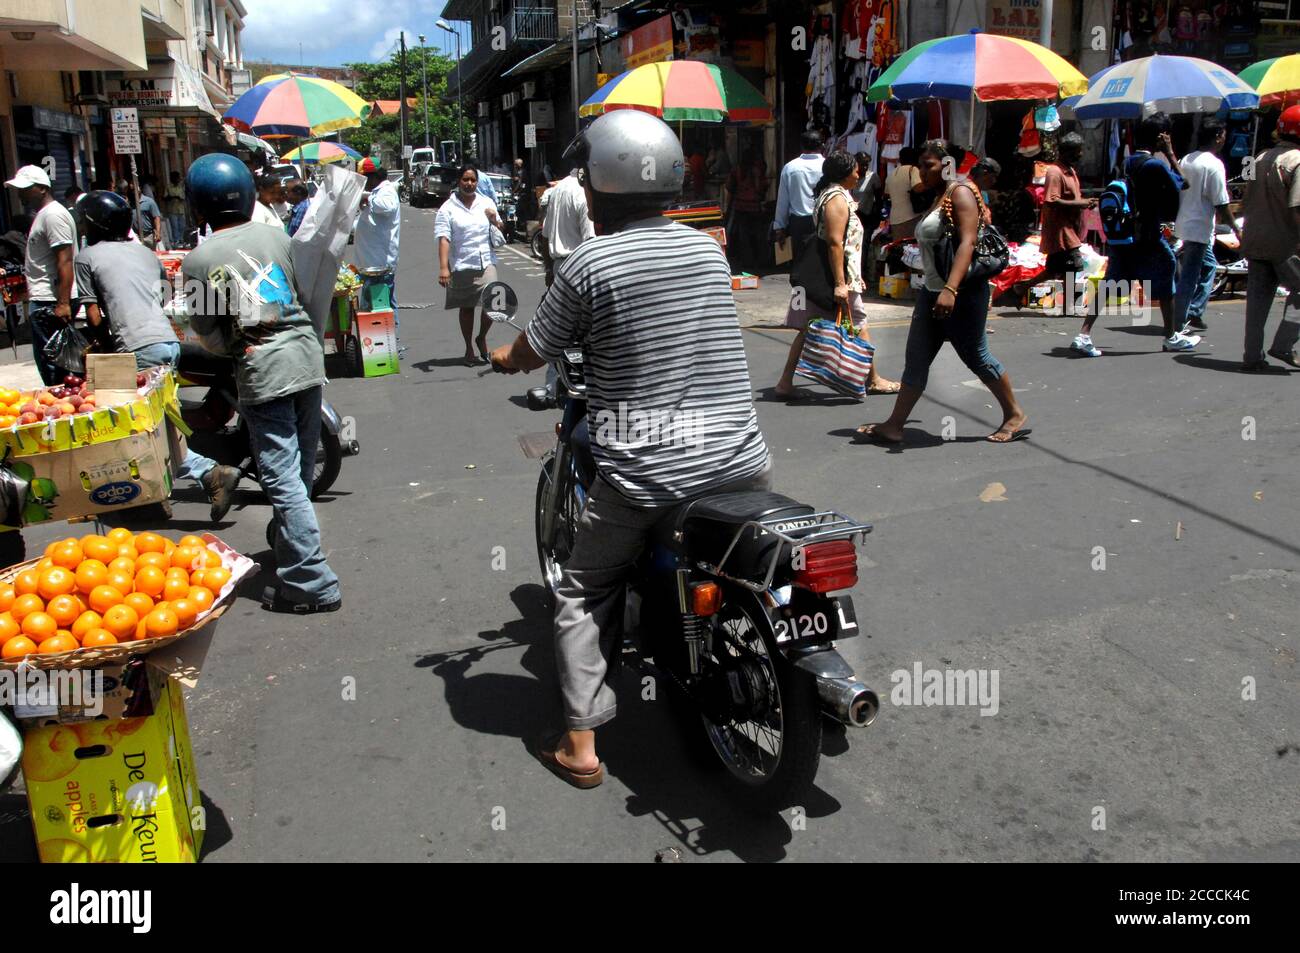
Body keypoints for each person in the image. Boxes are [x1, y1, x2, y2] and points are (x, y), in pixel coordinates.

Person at [487, 109, 772, 789]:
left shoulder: (590, 262)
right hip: (741, 455)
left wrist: (503, 355)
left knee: (583, 587)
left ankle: (581, 746)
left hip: (647, 474)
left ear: (597, 186)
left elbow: (534, 350)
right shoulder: (707, 248)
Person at [181, 153, 340, 614]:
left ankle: (311, 584)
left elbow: (209, 335)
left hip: (262, 372)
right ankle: (291, 540)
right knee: (300, 467)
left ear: (198, 206)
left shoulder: (197, 260)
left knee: (282, 478)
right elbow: (305, 291)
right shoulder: (279, 236)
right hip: (307, 362)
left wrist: (240, 332)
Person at [74, 190, 241, 522]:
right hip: (167, 342)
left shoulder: (87, 257)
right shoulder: (145, 253)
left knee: (146, 431)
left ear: (92, 225)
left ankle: (210, 474)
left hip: (136, 350)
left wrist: (100, 349)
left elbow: (92, 315)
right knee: (160, 423)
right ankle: (155, 495)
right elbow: (161, 296)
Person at [858, 140, 1029, 445]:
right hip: (932, 292)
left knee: (976, 356)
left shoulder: (960, 193)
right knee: (917, 358)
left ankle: (1014, 414)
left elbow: (968, 243)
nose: (921, 170)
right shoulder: (939, 197)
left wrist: (950, 289)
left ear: (947, 165)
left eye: (929, 165)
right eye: (921, 164)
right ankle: (894, 424)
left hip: (961, 293)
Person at [774, 150, 899, 399]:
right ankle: (873, 379)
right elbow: (834, 242)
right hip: (837, 277)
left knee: (811, 328)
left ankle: (785, 383)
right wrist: (842, 283)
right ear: (844, 173)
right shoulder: (836, 198)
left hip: (840, 274)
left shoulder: (836, 195)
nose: (858, 173)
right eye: (855, 169)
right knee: (859, 324)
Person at [1105, 112, 1200, 353]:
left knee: (1112, 281)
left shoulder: (1128, 161)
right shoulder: (1155, 165)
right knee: (1168, 270)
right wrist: (1170, 153)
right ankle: (1171, 335)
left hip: (1127, 232)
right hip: (1147, 232)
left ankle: (1084, 334)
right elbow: (1183, 182)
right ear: (1161, 137)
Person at [1239, 104, 1300, 371]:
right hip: (1286, 244)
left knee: (1257, 302)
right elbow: (1297, 208)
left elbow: (1243, 198)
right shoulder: (1297, 161)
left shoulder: (1257, 157)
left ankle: (1252, 357)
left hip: (1254, 239)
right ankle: (1284, 344)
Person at [4, 165, 77, 385]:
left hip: (50, 301)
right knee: (50, 362)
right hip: (45, 299)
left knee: (55, 366)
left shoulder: (53, 215)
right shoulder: (43, 216)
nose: (20, 194)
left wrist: (63, 302)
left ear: (42, 189)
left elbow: (64, 260)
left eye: (25, 189)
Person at [1174, 119, 1240, 336]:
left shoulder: (1187, 159)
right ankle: (1179, 322)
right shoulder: (1214, 164)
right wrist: (1235, 228)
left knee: (1208, 267)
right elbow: (1221, 202)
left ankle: (1194, 310)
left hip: (1186, 225)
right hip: (1199, 228)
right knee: (1190, 276)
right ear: (1218, 136)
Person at [1036, 134, 1100, 356]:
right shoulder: (1055, 172)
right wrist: (1081, 203)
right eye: (1078, 151)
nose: (1081, 155)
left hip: (1070, 228)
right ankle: (1069, 306)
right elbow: (1051, 201)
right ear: (1067, 152)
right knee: (1074, 265)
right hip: (1060, 228)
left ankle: (1021, 287)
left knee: (1054, 269)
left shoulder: (1070, 171)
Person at [435, 165, 504, 365]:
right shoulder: (447, 208)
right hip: (462, 263)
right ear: (459, 181)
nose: (469, 184)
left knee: (493, 304)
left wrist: (494, 220)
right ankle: (469, 348)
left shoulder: (486, 202)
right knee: (467, 308)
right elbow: (443, 238)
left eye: (473, 180)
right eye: (465, 179)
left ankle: (481, 336)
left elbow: (500, 228)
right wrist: (443, 267)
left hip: (486, 261)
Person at [354, 158, 402, 339]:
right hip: (370, 263)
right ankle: (385, 340)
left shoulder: (386, 192)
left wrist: (367, 197)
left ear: (373, 177)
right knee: (380, 305)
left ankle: (389, 340)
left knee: (382, 306)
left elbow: (387, 207)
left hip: (379, 264)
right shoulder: (376, 193)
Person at [773, 130, 826, 256]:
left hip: (799, 224)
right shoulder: (828, 166)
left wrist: (779, 227)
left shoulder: (790, 168)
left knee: (800, 262)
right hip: (825, 221)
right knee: (822, 262)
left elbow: (783, 200)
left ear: (801, 146)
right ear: (822, 146)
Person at [539, 168, 595, 287]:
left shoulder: (558, 188)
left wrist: (549, 270)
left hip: (558, 267)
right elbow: (590, 242)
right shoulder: (584, 191)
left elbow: (545, 236)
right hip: (577, 269)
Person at [724, 150, 769, 273]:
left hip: (740, 206)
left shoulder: (737, 170)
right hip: (755, 206)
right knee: (758, 234)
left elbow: (729, 188)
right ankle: (761, 260)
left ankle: (746, 261)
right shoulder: (758, 170)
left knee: (744, 235)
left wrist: (727, 207)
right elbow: (764, 187)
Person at [884, 147, 927, 240]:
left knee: (899, 249)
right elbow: (918, 188)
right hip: (911, 217)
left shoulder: (891, 174)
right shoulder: (912, 169)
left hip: (894, 219)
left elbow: (886, 194)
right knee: (912, 249)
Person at [117, 179, 163, 249]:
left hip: (148, 236)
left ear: (140, 188)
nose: (134, 191)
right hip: (135, 236)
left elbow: (156, 217)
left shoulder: (149, 202)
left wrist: (158, 232)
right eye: (132, 189)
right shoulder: (129, 203)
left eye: (135, 188)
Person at [968, 157, 1001, 225]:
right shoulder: (965, 188)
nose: (994, 181)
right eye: (993, 176)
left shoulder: (984, 195)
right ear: (984, 173)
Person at [163, 171, 188, 248]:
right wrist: (173, 197)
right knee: (174, 226)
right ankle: (176, 241)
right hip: (172, 210)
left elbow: (184, 196)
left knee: (182, 226)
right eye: (177, 178)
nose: (178, 179)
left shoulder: (181, 187)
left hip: (181, 209)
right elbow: (164, 197)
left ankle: (181, 240)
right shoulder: (168, 187)